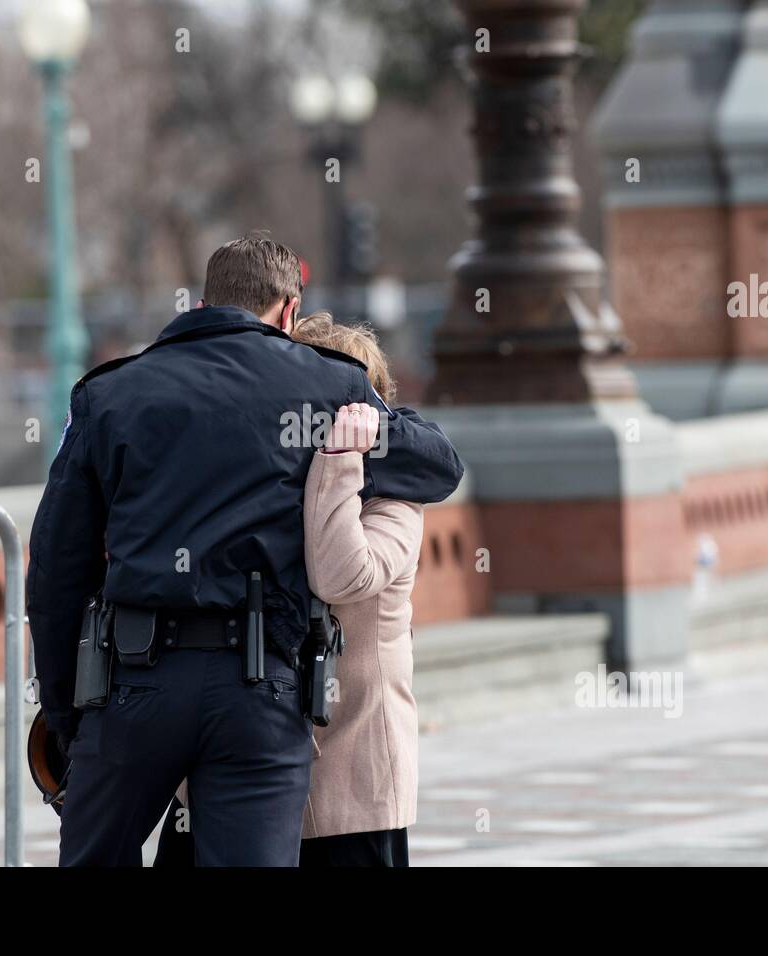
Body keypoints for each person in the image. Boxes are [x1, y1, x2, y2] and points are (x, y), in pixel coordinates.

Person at [26, 235, 463, 866]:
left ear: (203, 301)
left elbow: (57, 572)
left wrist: (69, 715)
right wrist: (365, 437)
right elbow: (440, 466)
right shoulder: (325, 388)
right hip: (260, 686)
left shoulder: (110, 395)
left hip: (133, 687)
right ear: (290, 311)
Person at [155, 312, 424, 867]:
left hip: (350, 793)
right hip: (233, 774)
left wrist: (338, 460)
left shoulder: (394, 502)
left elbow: (343, 576)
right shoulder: (257, 496)